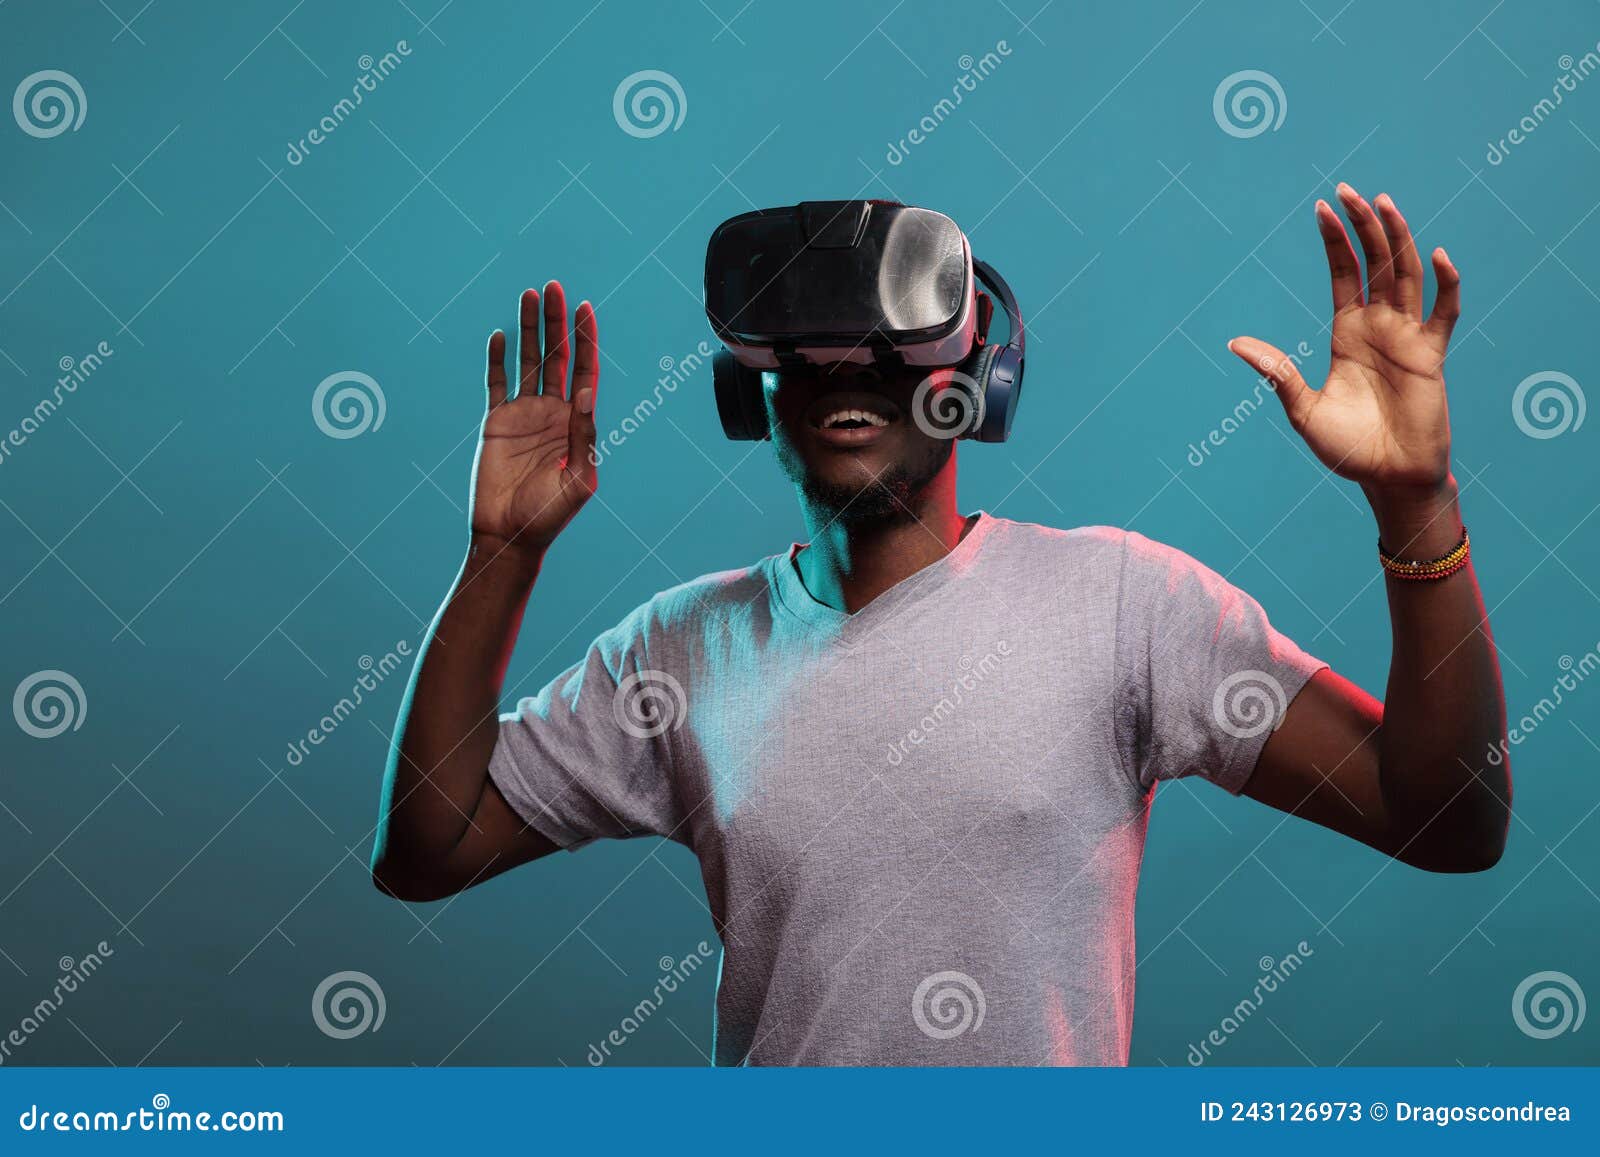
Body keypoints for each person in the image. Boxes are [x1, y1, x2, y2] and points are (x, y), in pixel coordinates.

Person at [370, 184, 1509, 1066]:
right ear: (744, 394)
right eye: (800, 358)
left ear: (979, 380)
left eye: (885, 350)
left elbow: (1444, 818)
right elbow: (428, 849)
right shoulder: (678, 650)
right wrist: (501, 555)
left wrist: (1412, 501)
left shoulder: (1123, 604)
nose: (841, 379)